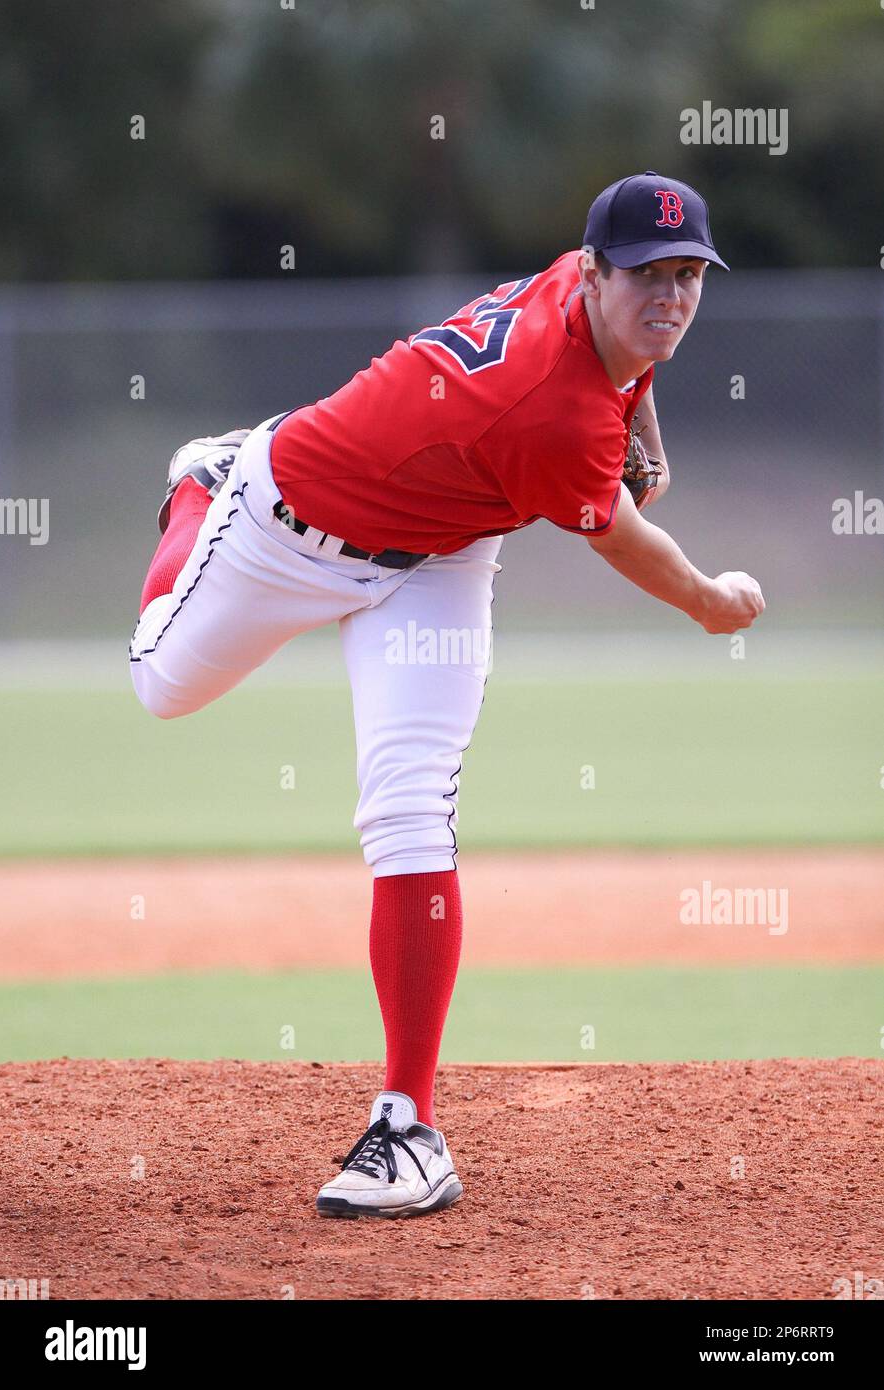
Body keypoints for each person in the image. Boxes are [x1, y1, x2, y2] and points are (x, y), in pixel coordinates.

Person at [129, 171, 764, 1220]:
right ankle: (202, 479)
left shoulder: (585, 290)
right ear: (597, 272)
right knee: (161, 685)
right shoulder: (550, 410)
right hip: (286, 524)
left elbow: (628, 375)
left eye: (690, 273)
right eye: (650, 273)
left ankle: (404, 1127)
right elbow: (630, 539)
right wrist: (709, 603)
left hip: (440, 548)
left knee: (408, 804)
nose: (672, 295)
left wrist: (643, 437)